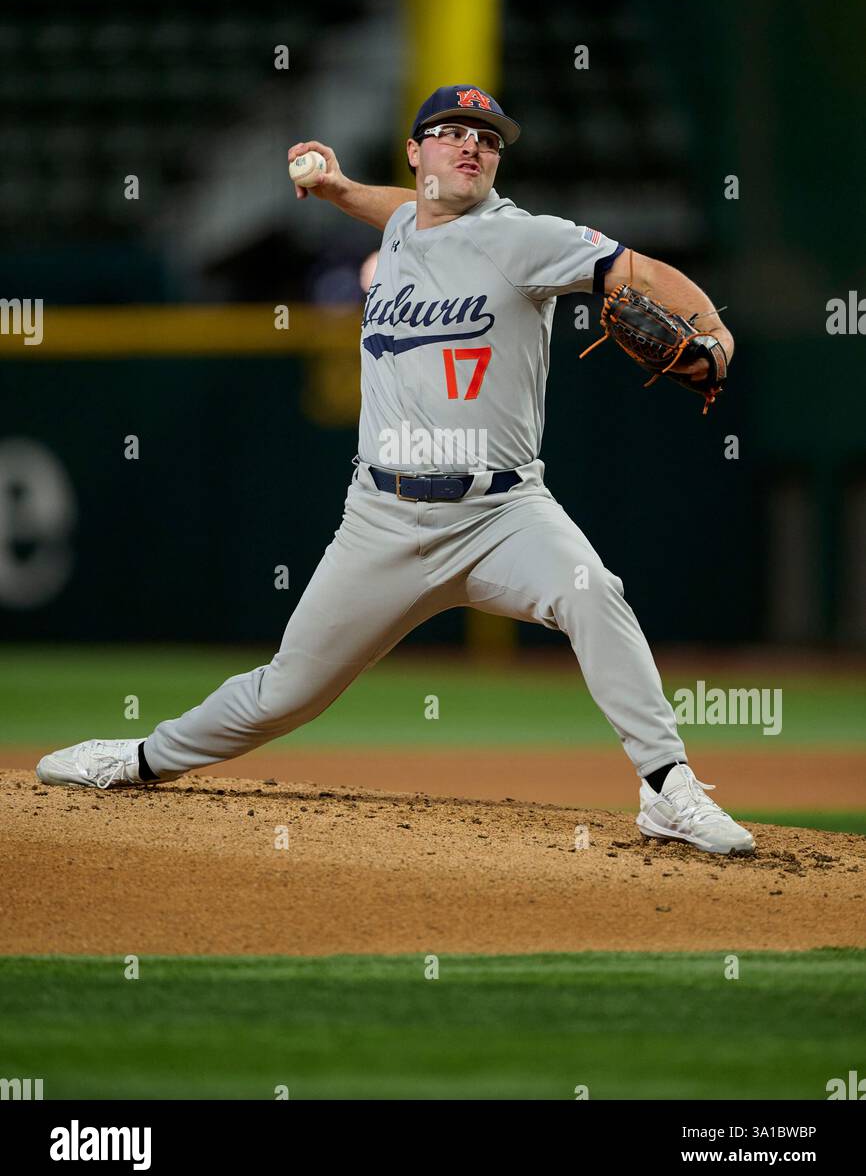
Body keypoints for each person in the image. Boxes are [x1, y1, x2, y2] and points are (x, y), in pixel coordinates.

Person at [37, 85, 754, 855]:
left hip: (502, 513)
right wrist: (341, 190)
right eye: (451, 133)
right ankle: (139, 759)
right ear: (417, 153)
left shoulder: (527, 239)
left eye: (486, 137)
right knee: (285, 693)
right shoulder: (410, 222)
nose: (471, 146)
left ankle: (667, 789)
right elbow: (403, 212)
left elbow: (635, 269)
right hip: (380, 519)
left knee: (593, 593)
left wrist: (712, 328)